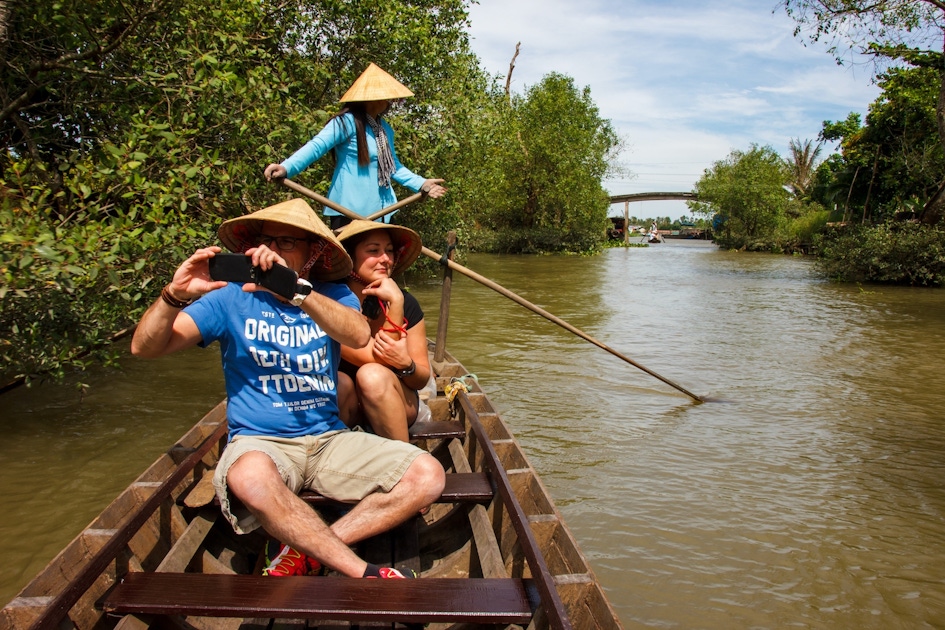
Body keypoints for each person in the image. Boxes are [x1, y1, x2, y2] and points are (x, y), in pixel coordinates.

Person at [130, 198, 446, 579]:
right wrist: (173, 295)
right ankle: (361, 571)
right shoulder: (229, 298)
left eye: (287, 243)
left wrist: (295, 292)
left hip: (328, 439)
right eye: (269, 240)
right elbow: (144, 348)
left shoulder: (332, 296)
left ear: (312, 255)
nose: (273, 250)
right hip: (262, 441)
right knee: (248, 476)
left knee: (429, 476)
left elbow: (359, 333)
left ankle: (307, 551)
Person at [264, 63, 446, 229]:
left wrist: (421, 183)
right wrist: (286, 167)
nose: (390, 103)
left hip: (383, 212)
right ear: (373, 99)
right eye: (387, 98)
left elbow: (394, 167)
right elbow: (316, 146)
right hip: (348, 211)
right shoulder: (345, 122)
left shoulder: (385, 130)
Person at [334, 220, 433, 442]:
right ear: (350, 258)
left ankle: (404, 463)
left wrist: (407, 365)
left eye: (389, 251)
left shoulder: (407, 303)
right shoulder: (333, 303)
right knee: (342, 382)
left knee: (373, 377)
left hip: (394, 399)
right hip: (348, 404)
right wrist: (395, 302)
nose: (385, 259)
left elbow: (422, 378)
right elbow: (377, 359)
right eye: (373, 251)